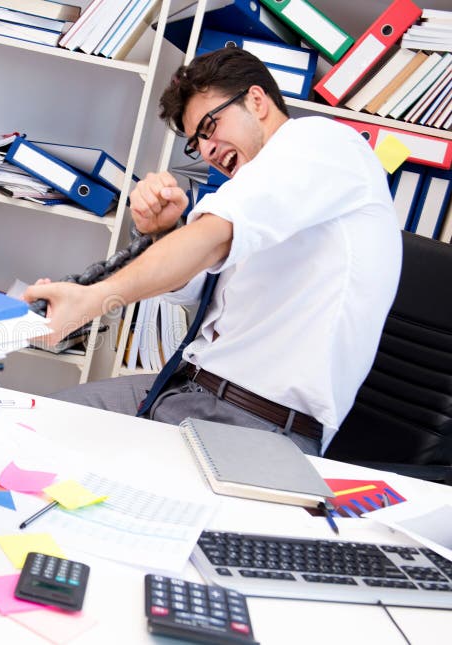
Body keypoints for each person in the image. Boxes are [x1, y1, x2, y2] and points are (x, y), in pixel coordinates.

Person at [22, 48, 402, 456]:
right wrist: (163, 230)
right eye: (196, 143)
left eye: (210, 125)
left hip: (256, 423)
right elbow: (191, 291)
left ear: (257, 100)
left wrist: (93, 300)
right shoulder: (261, 196)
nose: (206, 151)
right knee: (29, 428)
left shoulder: (322, 143)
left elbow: (213, 238)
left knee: (88, 477)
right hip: (185, 389)